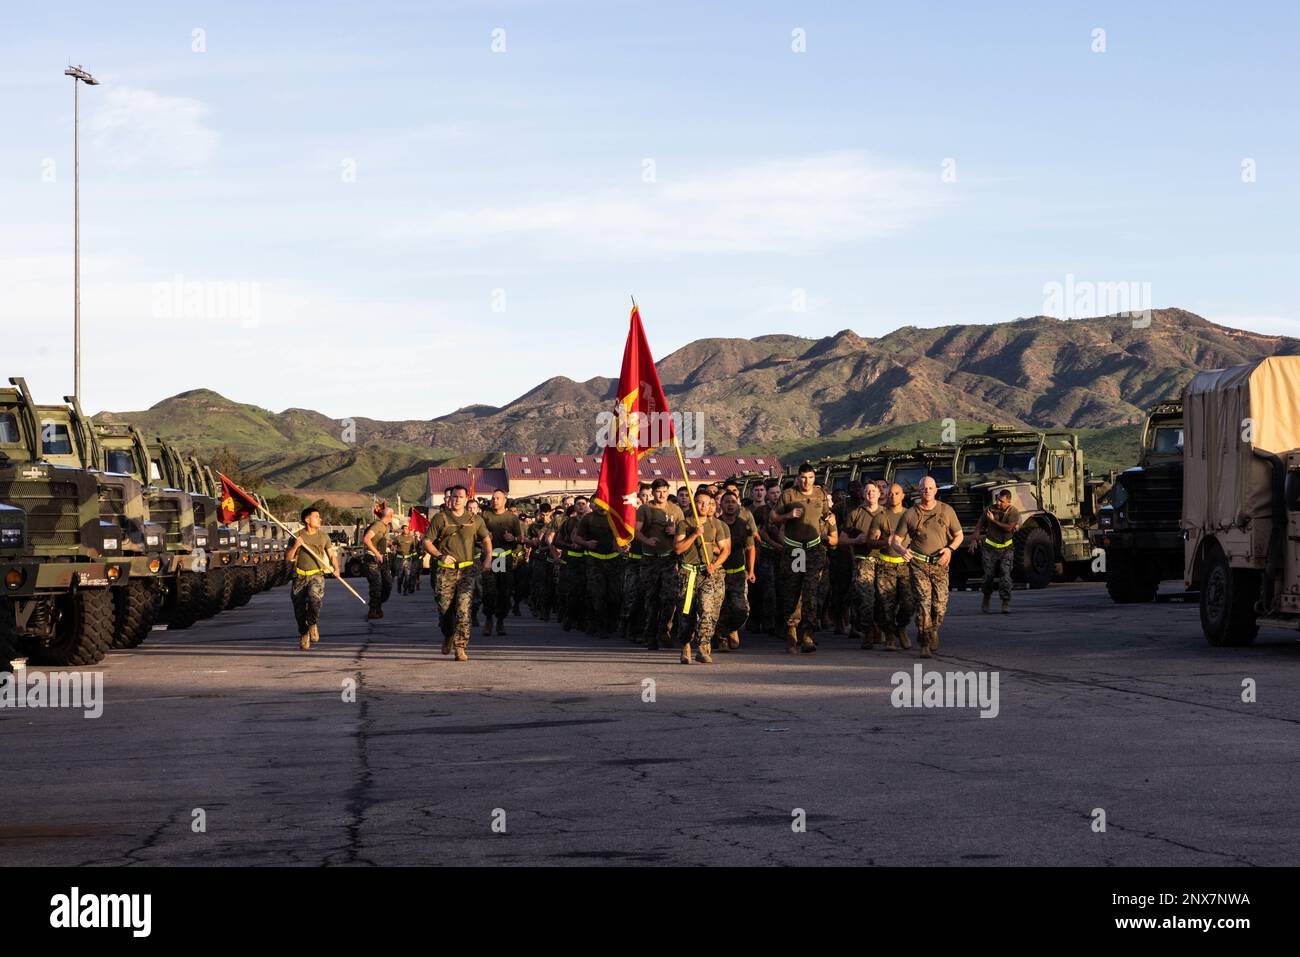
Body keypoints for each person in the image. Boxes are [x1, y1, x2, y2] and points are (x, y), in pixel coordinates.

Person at [889, 476, 964, 658]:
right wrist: (901, 550)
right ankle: (924, 643)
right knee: (923, 603)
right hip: (918, 563)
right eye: (924, 489)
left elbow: (959, 535)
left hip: (940, 564)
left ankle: (933, 630)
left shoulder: (946, 511)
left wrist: (949, 550)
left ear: (936, 490)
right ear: (919, 491)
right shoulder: (910, 514)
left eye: (930, 488)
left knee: (939, 606)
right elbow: (896, 540)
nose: (927, 491)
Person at [769, 463, 836, 654]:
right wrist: (788, 515)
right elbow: (773, 517)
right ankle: (791, 632)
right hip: (795, 550)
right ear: (798, 478)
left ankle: (808, 634)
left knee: (811, 593)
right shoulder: (789, 495)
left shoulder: (820, 493)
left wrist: (831, 518)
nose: (806, 481)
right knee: (793, 592)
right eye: (803, 478)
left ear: (815, 478)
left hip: (814, 549)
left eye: (810, 477)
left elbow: (825, 514)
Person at [423, 485, 493, 661]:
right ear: (449, 498)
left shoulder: (475, 519)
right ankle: (448, 635)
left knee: (463, 609)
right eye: (454, 496)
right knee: (444, 610)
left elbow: (486, 539)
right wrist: (440, 555)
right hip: (445, 571)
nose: (457, 500)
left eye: (461, 497)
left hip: (467, 570)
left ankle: (461, 647)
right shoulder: (440, 518)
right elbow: (427, 541)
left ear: (466, 498)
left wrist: (488, 558)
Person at [673, 488, 730, 664]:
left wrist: (715, 564)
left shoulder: (716, 526)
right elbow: (678, 548)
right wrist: (694, 534)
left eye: (707, 502)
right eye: (700, 502)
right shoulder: (685, 524)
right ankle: (685, 645)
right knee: (686, 613)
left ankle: (703, 647)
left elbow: (725, 550)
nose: (704, 506)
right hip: (688, 574)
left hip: (706, 574)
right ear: (694, 503)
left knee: (706, 611)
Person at [636, 478, 685, 650]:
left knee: (669, 598)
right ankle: (650, 635)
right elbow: (636, 531)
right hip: (650, 559)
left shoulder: (676, 510)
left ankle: (664, 630)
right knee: (651, 598)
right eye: (658, 491)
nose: (661, 494)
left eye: (664, 491)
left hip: (669, 559)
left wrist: (675, 531)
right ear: (653, 492)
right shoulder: (645, 509)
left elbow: (684, 532)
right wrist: (647, 540)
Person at [287, 506, 341, 650]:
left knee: (315, 601)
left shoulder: (323, 537)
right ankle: (304, 633)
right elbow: (288, 558)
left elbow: (331, 555)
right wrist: (295, 546)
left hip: (316, 575)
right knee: (299, 612)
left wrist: (336, 568)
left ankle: (312, 623)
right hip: (299, 576)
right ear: (307, 519)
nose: (320, 519)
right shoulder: (296, 536)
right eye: (317, 516)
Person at [840, 482, 885, 649]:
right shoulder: (855, 514)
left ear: (879, 493)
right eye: (867, 491)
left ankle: (880, 628)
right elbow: (841, 539)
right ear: (863, 494)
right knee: (866, 599)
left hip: (884, 560)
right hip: (863, 560)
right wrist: (855, 540)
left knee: (884, 599)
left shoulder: (885, 513)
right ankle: (868, 631)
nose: (870, 494)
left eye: (873, 491)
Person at [573, 501, 622, 639]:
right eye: (599, 503)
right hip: (595, 561)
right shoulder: (588, 518)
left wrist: (622, 546)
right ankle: (599, 625)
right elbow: (576, 538)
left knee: (614, 595)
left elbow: (625, 536)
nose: (602, 506)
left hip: (613, 561)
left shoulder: (616, 517)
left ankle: (612, 622)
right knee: (597, 594)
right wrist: (586, 543)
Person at [873, 483, 914, 651]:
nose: (893, 496)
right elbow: (871, 540)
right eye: (890, 494)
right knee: (886, 604)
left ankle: (901, 627)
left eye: (897, 493)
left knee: (909, 604)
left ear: (903, 495)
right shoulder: (881, 516)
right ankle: (890, 635)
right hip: (886, 564)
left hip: (906, 566)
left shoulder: (911, 515)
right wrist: (882, 541)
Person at [716, 490, 756, 651]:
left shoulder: (743, 524)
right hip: (720, 573)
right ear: (721, 505)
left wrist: (751, 571)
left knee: (742, 610)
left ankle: (732, 629)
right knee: (721, 608)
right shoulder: (716, 524)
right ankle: (722, 638)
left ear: (738, 504)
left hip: (739, 573)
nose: (730, 505)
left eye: (733, 501)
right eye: (727, 502)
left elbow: (751, 548)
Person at [970, 488, 1020, 614]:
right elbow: (978, 526)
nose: (998, 503)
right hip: (990, 549)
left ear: (1008, 501)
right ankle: (986, 598)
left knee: (1005, 575)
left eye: (1001, 501)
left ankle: (1005, 602)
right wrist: (974, 540)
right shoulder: (989, 509)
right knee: (988, 576)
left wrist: (993, 521)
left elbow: (1008, 528)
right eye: (997, 500)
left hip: (1006, 549)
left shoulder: (1013, 512)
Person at [481, 489, 524, 635]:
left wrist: (513, 539)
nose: (494, 500)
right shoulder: (485, 516)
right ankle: (488, 618)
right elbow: (477, 536)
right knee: (488, 590)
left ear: (504, 500)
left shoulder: (512, 518)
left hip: (504, 557)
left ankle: (500, 620)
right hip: (489, 557)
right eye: (493, 498)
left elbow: (521, 539)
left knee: (504, 591)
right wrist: (485, 538)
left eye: (498, 498)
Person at [617, 484, 652, 642]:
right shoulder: (628, 520)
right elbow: (616, 542)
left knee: (649, 599)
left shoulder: (656, 517)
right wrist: (622, 549)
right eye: (642, 496)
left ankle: (646, 631)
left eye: (648, 496)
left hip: (651, 563)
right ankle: (628, 625)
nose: (645, 499)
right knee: (632, 597)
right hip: (633, 563)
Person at [362, 503, 395, 620]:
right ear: (390, 516)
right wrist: (376, 553)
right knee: (376, 585)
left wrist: (391, 545)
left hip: (383, 559)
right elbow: (366, 539)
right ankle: (373, 609)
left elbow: (384, 540)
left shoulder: (386, 527)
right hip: (372, 559)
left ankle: (378, 605)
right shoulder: (377, 525)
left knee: (388, 584)